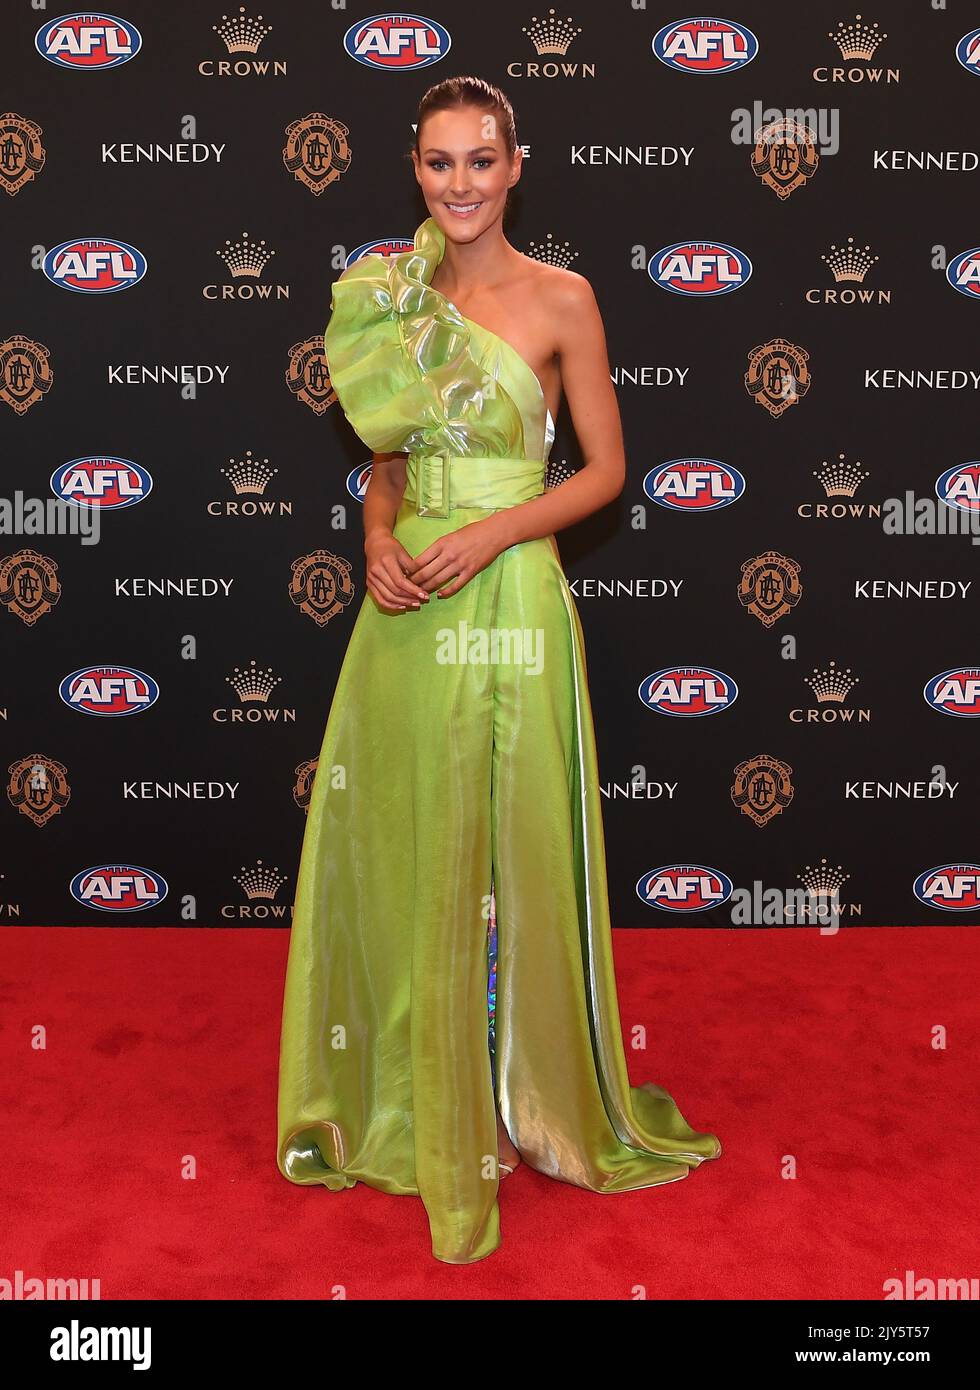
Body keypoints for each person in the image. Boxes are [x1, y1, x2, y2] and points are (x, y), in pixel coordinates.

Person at [276, 74, 721, 1265]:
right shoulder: (390, 296)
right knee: (409, 833)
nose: (459, 183)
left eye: (480, 160)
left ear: (515, 165)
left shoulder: (562, 298)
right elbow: (385, 458)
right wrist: (377, 538)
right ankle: (414, 1090)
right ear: (412, 168)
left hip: (508, 586)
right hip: (404, 602)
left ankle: (522, 1085)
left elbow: (602, 472)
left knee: (505, 836)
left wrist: (492, 531)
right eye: (437, 162)